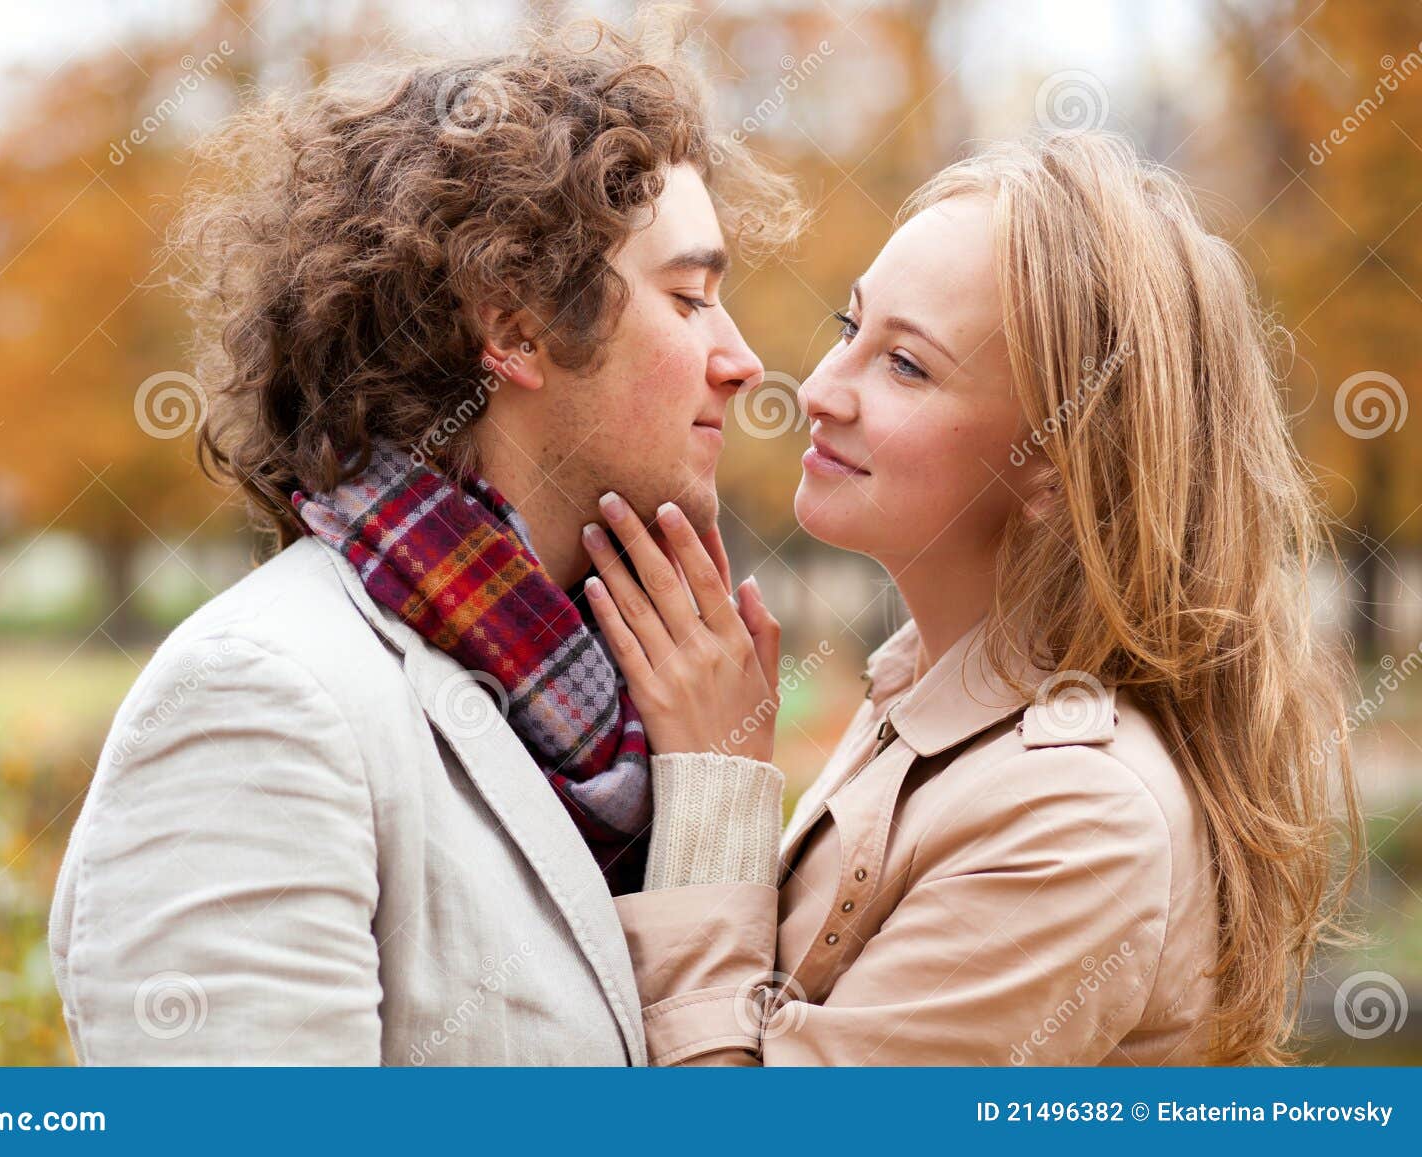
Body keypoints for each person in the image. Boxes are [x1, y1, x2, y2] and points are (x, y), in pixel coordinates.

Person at [47, 12, 801, 1065]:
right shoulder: (255, 703)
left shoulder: (618, 724)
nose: (742, 360)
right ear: (513, 328)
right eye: (689, 298)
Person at [584, 131, 1362, 1066]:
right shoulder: (927, 696)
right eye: (848, 327)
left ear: (1058, 466)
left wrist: (717, 790)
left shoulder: (1078, 817)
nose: (821, 388)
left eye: (906, 365)